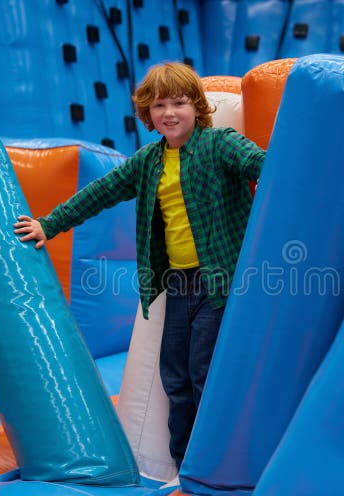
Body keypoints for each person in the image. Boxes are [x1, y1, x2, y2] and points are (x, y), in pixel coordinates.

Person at [14, 62, 266, 469]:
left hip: (219, 282)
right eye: (159, 104)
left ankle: (216, 461)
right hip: (177, 285)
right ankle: (185, 463)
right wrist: (49, 224)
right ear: (147, 113)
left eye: (179, 103)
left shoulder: (221, 144)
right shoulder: (149, 161)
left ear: (197, 107)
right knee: (175, 378)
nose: (169, 113)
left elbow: (265, 166)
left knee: (204, 373)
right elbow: (99, 193)